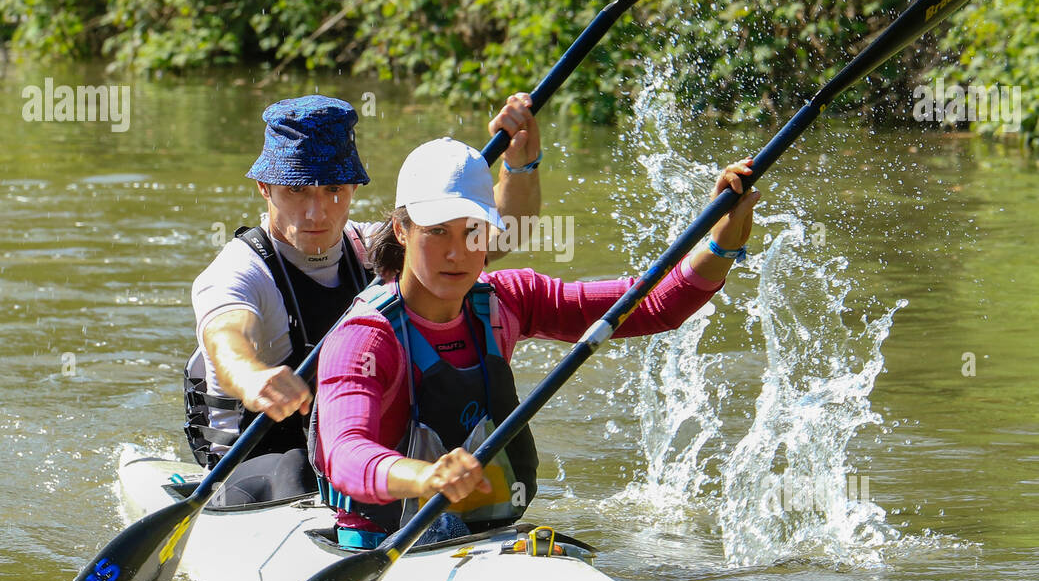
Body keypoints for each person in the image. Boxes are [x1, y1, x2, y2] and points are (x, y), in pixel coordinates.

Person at [310, 138, 760, 548]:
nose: (456, 252)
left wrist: (721, 243)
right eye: (437, 231)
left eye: (472, 231)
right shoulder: (365, 339)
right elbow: (348, 454)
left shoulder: (507, 300)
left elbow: (652, 305)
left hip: (482, 538)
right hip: (381, 544)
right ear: (403, 229)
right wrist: (426, 477)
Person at [185, 94, 542, 506]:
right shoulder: (238, 271)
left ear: (354, 186)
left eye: (333, 189)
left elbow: (498, 238)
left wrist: (520, 166)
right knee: (298, 467)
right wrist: (251, 378)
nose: (316, 213)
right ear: (265, 188)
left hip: (352, 457)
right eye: (297, 191)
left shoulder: (376, 246)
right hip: (255, 463)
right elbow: (225, 337)